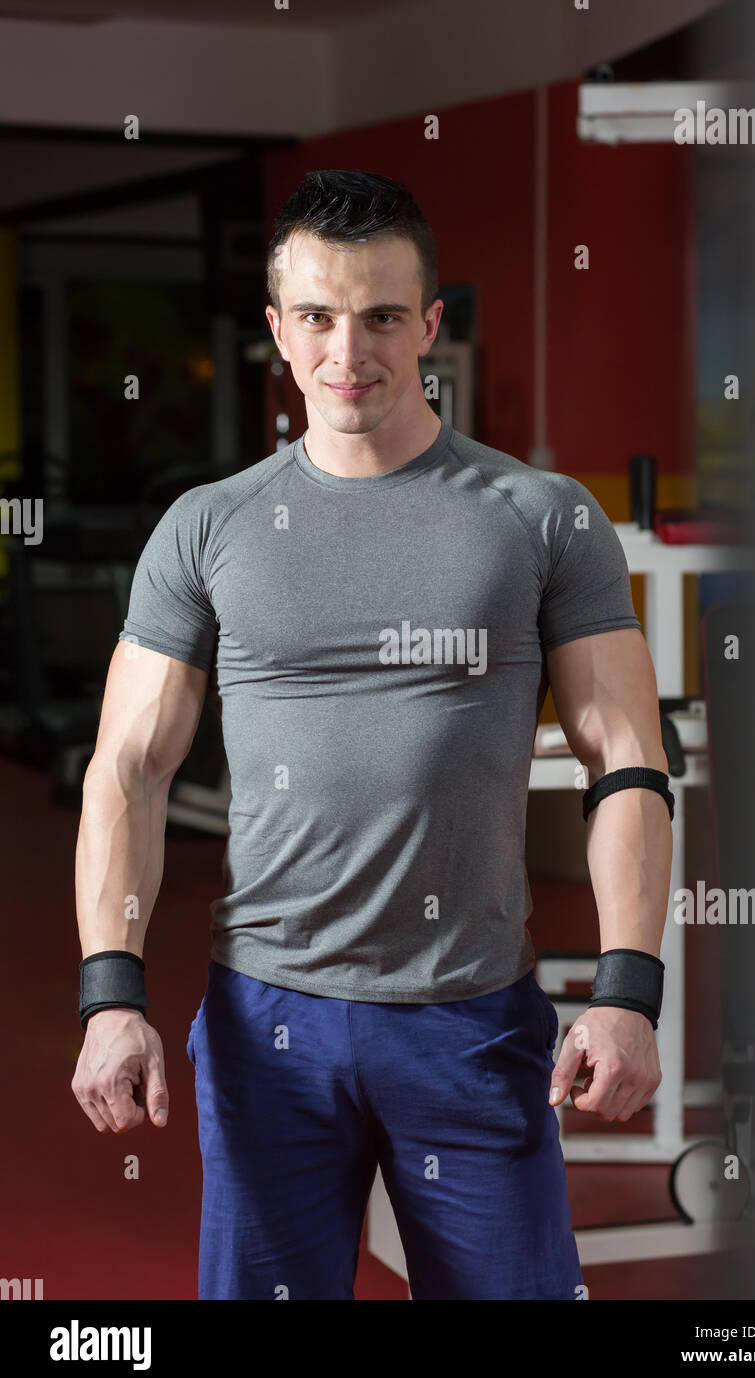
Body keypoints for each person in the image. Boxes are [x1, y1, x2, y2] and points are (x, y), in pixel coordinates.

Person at [71, 168, 673, 1301]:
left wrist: (628, 992)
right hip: (267, 1022)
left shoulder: (542, 517)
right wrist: (112, 998)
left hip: (469, 1018)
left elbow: (625, 758)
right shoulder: (208, 526)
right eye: (316, 315)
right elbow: (128, 769)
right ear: (275, 331)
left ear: (430, 324)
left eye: (383, 315)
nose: (348, 350)